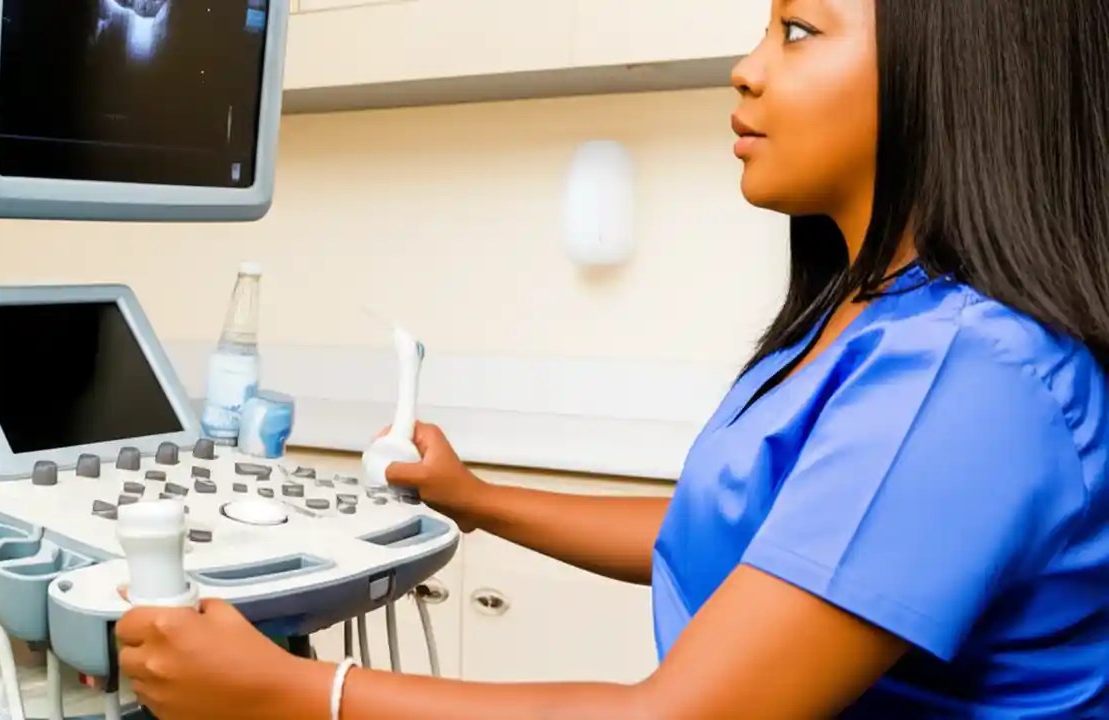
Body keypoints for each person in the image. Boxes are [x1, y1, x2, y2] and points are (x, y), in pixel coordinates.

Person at [114, 0, 1109, 716]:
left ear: (951, 74)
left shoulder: (971, 377)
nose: (746, 67)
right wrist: (479, 500)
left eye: (796, 31)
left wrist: (295, 694)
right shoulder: (861, 318)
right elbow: (740, 542)